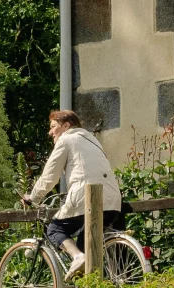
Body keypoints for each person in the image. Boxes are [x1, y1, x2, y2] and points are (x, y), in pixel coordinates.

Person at [22, 109, 121, 276]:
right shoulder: (92, 141)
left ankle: (76, 257)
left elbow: (49, 176)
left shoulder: (66, 139)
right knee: (87, 246)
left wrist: (33, 197)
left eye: (53, 126)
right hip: (112, 200)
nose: (50, 132)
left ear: (66, 125)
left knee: (53, 229)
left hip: (87, 197)